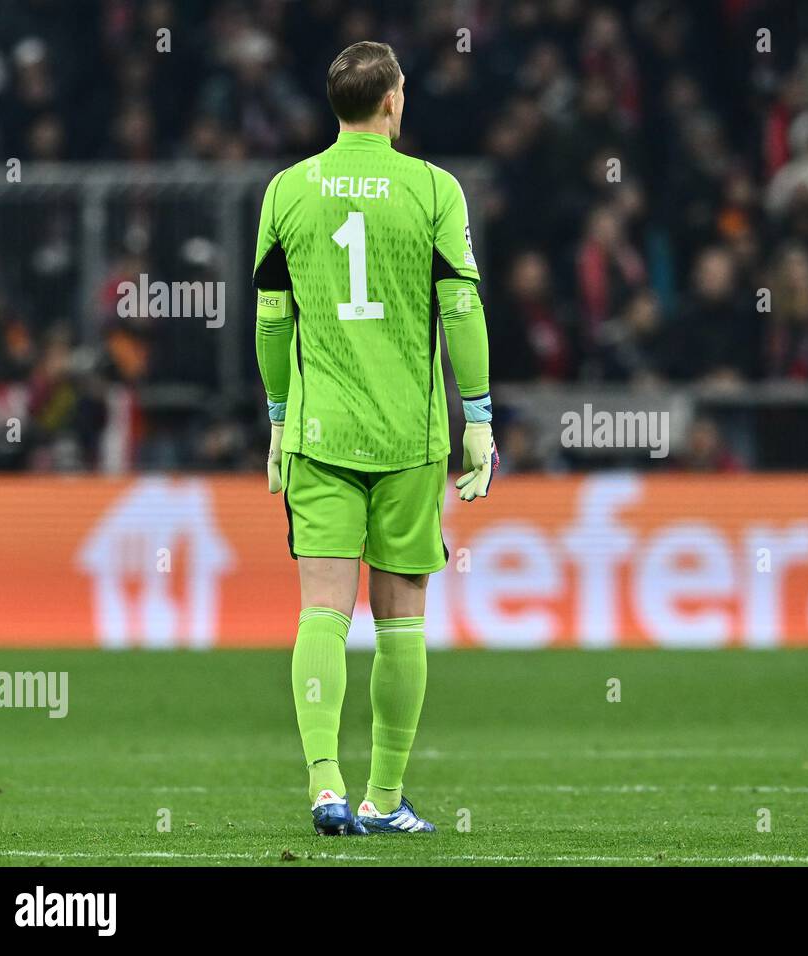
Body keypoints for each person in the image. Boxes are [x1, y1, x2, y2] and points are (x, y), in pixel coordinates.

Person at [252, 41, 497, 837]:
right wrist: (481, 419)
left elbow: (269, 318)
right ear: (392, 102)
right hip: (408, 436)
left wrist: (280, 417)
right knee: (401, 622)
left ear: (337, 105)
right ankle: (383, 799)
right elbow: (461, 310)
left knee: (322, 614)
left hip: (322, 432)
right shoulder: (434, 189)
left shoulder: (287, 191)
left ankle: (324, 785)